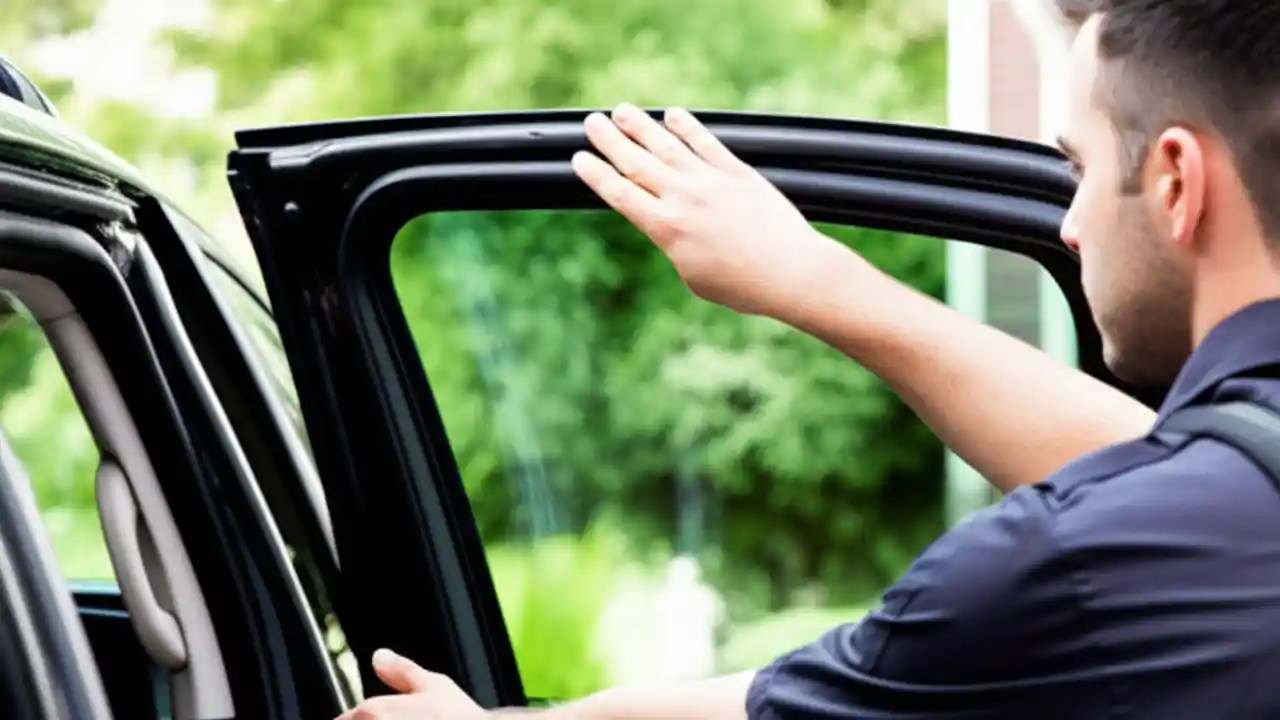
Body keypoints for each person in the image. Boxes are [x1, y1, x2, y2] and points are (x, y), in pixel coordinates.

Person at [338, 0, 1280, 717]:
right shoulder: (1209, 528)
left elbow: (1132, 515)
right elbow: (1177, 475)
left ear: (1173, 181)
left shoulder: (1082, 562)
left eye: (1076, 170)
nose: (1070, 226)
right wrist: (814, 279)